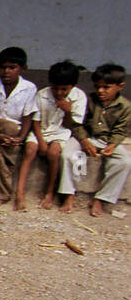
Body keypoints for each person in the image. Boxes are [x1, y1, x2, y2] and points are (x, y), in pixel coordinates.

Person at [0, 45, 39, 210]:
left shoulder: (29, 88)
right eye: (3, 67)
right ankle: (9, 171)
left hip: (13, 134)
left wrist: (21, 138)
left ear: (22, 68)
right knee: (7, 127)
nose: (6, 71)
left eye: (12, 67)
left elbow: (28, 115)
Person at [32, 59, 88, 213]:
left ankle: (69, 195)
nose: (59, 93)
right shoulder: (43, 94)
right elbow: (36, 120)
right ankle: (51, 193)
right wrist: (42, 141)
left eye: (64, 89)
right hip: (46, 132)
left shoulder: (79, 97)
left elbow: (74, 126)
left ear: (73, 86)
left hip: (68, 133)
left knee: (71, 156)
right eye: (55, 88)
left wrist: (68, 111)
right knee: (57, 153)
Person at [74, 63, 130, 217]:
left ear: (120, 86)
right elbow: (78, 124)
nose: (100, 91)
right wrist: (84, 141)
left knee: (124, 162)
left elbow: (120, 130)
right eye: (97, 86)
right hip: (87, 137)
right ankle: (71, 193)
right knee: (73, 156)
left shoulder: (125, 107)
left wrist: (112, 146)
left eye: (106, 87)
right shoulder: (88, 101)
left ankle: (101, 198)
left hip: (107, 141)